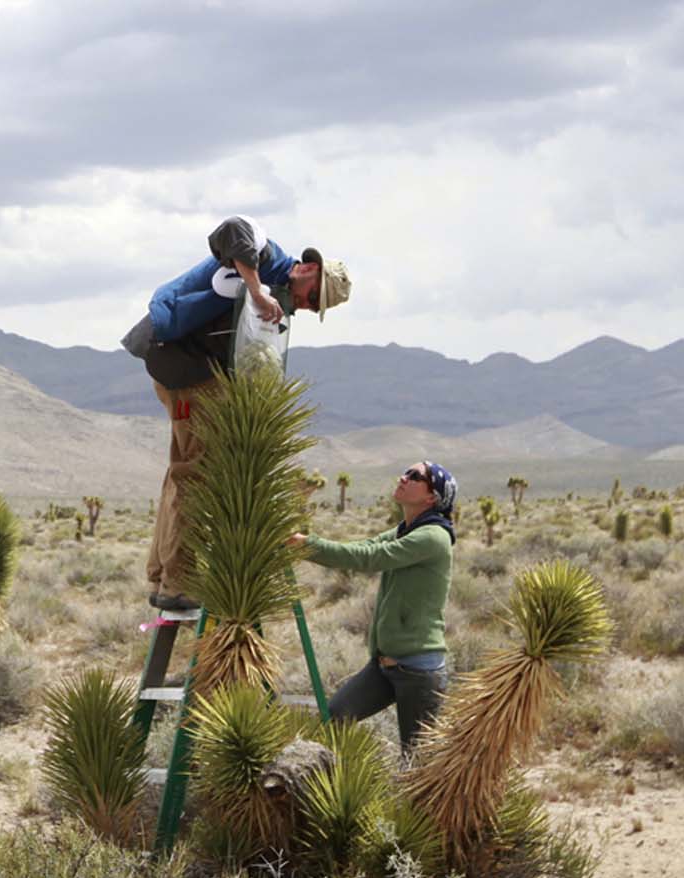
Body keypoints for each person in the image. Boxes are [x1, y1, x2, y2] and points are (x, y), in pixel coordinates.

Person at [123, 215, 351, 611]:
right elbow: (234, 228)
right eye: (314, 298)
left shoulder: (277, 290)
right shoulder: (269, 258)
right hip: (181, 364)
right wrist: (256, 291)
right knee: (196, 472)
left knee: (183, 469)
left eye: (316, 307)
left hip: (185, 368)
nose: (307, 307)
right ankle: (179, 583)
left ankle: (161, 574)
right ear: (309, 270)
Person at [288, 461, 456, 751]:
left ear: (432, 497)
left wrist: (307, 546)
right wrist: (304, 542)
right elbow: (363, 548)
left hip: (418, 671)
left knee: (416, 758)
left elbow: (370, 558)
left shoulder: (433, 537)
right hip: (384, 665)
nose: (403, 477)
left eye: (415, 476)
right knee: (334, 716)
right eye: (405, 472)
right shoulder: (405, 530)